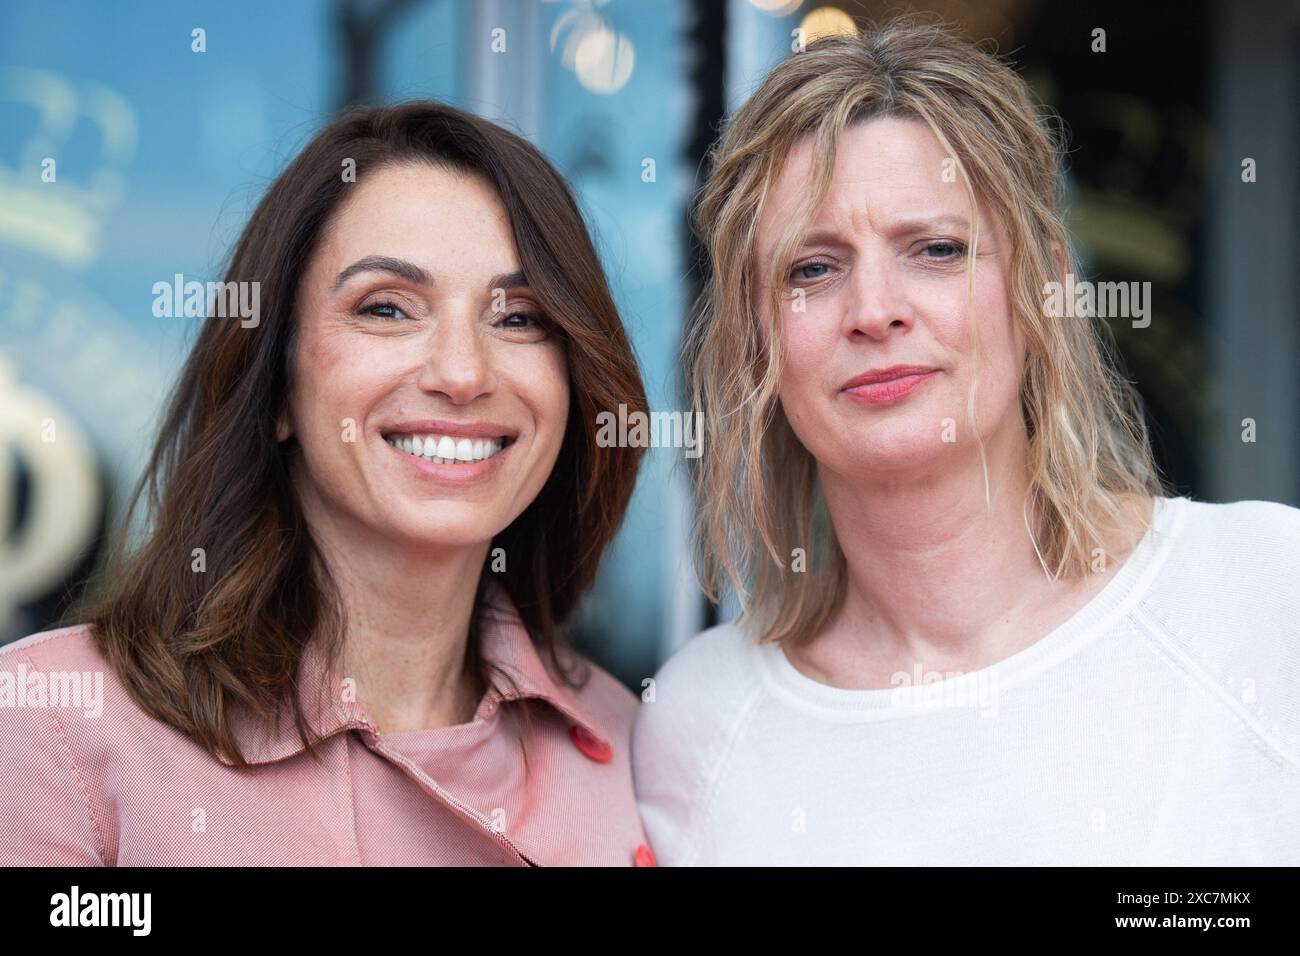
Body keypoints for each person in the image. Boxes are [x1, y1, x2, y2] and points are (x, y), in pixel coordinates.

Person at [633, 19, 1300, 865]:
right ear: (756, 337)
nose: (874, 311)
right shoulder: (697, 722)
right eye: (813, 268)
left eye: (936, 251)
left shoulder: (1266, 592)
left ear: (1046, 288)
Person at [0, 101, 655, 866]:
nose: (462, 372)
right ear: (276, 384)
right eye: (385, 308)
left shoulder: (633, 743)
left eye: (518, 318)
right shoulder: (49, 727)